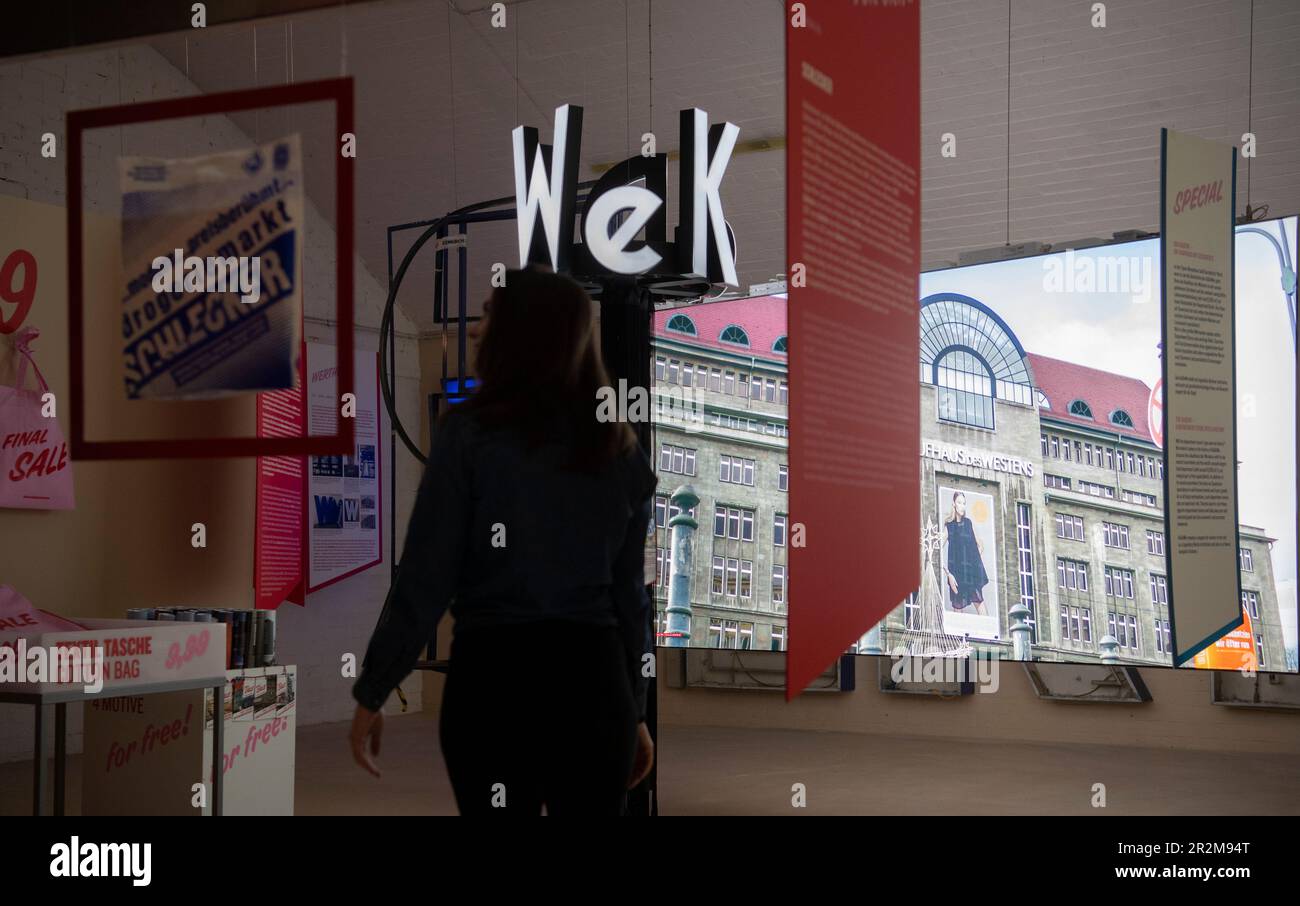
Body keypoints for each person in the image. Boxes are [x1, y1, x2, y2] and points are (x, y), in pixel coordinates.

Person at [348, 267, 657, 815]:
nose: (473, 330)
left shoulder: (468, 436)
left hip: (493, 684)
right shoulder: (619, 448)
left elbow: (426, 575)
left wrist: (374, 687)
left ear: (520, 331)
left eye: (489, 314)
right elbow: (630, 598)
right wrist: (633, 707)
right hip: (592, 682)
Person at [942, 491, 989, 616]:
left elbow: (981, 546)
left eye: (964, 503)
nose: (962, 506)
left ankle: (986, 635)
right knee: (958, 609)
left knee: (979, 602)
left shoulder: (968, 523)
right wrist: (948, 574)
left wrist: (973, 562)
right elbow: (936, 550)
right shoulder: (949, 527)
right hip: (956, 576)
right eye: (959, 502)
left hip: (970, 574)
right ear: (954, 504)